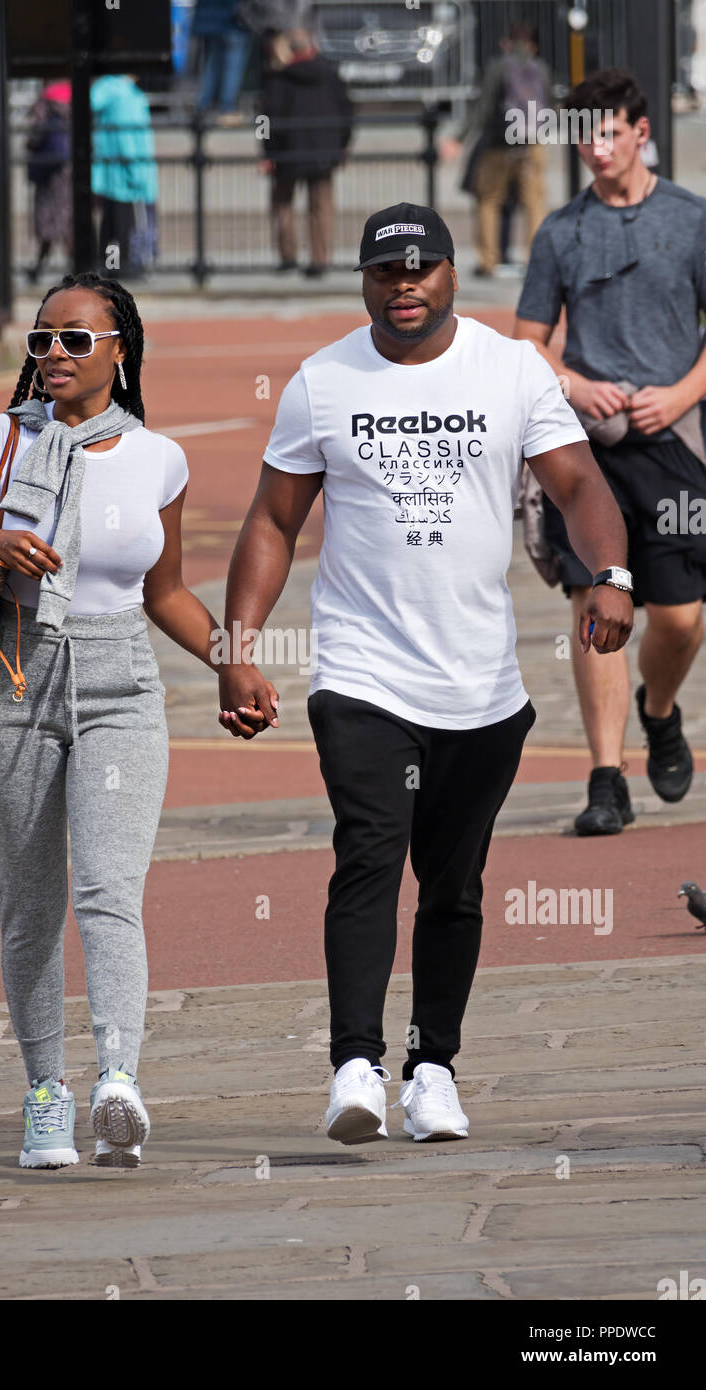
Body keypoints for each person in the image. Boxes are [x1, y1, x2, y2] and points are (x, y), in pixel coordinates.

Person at [217, 202, 633, 1145]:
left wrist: (610, 575)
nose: (404, 286)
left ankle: (432, 1067)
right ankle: (354, 1066)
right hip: (361, 671)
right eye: (384, 272)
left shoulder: (510, 369)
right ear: (363, 281)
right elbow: (272, 521)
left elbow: (577, 485)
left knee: (454, 884)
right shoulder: (323, 381)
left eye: (421, 269)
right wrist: (237, 648)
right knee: (368, 854)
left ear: (450, 272)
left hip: (481, 684)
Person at [0, 271, 275, 1170]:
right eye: (43, 340)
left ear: (122, 349)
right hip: (13, 683)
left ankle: (119, 1078)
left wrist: (230, 659)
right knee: (29, 906)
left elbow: (166, 591)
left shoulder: (160, 459)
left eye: (77, 339)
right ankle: (45, 1096)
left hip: (121, 683)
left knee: (109, 889)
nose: (57, 356)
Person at [513, 68, 706, 836]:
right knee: (596, 605)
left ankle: (657, 710)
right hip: (587, 449)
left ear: (640, 132)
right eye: (582, 136)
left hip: (675, 443)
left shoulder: (691, 219)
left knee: (681, 617)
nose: (593, 149)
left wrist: (684, 393)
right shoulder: (560, 230)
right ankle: (604, 779)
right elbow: (526, 343)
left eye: (606, 133)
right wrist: (571, 383)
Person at [445, 23, 550, 277]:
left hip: (498, 145)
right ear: (532, 46)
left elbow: (483, 108)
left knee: (489, 201)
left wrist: (459, 138)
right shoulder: (541, 68)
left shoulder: (498, 67)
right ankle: (535, 259)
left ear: (506, 43)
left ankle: (488, 260)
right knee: (534, 202)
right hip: (531, 144)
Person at [258, 28, 352, 277]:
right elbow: (347, 112)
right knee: (321, 208)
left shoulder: (277, 78)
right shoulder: (331, 75)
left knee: (282, 204)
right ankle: (319, 261)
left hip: (286, 154)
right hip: (323, 152)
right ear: (312, 47)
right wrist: (342, 145)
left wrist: (267, 152)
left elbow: (264, 120)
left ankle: (287, 257)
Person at [91, 74, 158, 280]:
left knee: (110, 223)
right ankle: (127, 267)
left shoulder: (106, 94)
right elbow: (128, 137)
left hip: (110, 171)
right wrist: (137, 172)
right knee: (127, 224)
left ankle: (110, 266)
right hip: (127, 175)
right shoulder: (127, 97)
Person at [25, 81, 72, 284]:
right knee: (65, 220)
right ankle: (72, 269)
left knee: (47, 222)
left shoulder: (44, 104)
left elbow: (36, 136)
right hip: (67, 171)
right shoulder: (72, 102)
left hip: (47, 171)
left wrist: (28, 143)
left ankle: (38, 268)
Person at [192, 0, 252, 124]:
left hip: (209, 19)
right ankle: (227, 108)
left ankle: (203, 107)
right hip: (232, 19)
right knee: (232, 66)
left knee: (212, 65)